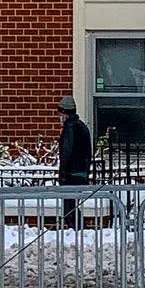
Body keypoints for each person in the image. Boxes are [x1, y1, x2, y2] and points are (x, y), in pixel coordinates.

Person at [56, 94, 92, 230]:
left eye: (60, 113)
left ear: (65, 112)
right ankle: (80, 231)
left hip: (72, 175)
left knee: (69, 210)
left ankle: (78, 233)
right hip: (81, 173)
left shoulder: (69, 129)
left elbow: (67, 153)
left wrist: (63, 174)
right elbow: (89, 152)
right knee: (73, 207)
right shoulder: (82, 127)